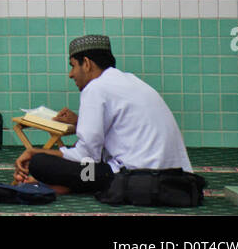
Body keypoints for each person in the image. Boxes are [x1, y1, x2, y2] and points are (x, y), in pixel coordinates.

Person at [15, 34, 192, 194]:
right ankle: (65, 183)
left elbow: (86, 156)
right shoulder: (129, 80)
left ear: (87, 63)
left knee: (41, 164)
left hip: (132, 176)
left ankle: (70, 184)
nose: (70, 74)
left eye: (73, 66)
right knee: (73, 165)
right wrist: (80, 123)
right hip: (177, 176)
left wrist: (34, 152)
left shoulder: (95, 88)